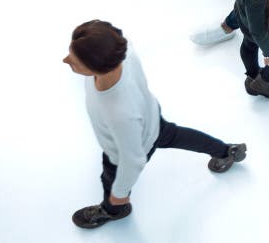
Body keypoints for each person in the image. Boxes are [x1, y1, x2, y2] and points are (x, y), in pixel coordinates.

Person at [64, 20, 246, 229]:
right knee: (178, 135)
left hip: (127, 145)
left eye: (75, 62)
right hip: (151, 118)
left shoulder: (119, 113)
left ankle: (114, 210)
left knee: (110, 177)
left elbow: (132, 161)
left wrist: (119, 194)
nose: (66, 60)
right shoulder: (123, 49)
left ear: (99, 66)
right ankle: (226, 151)